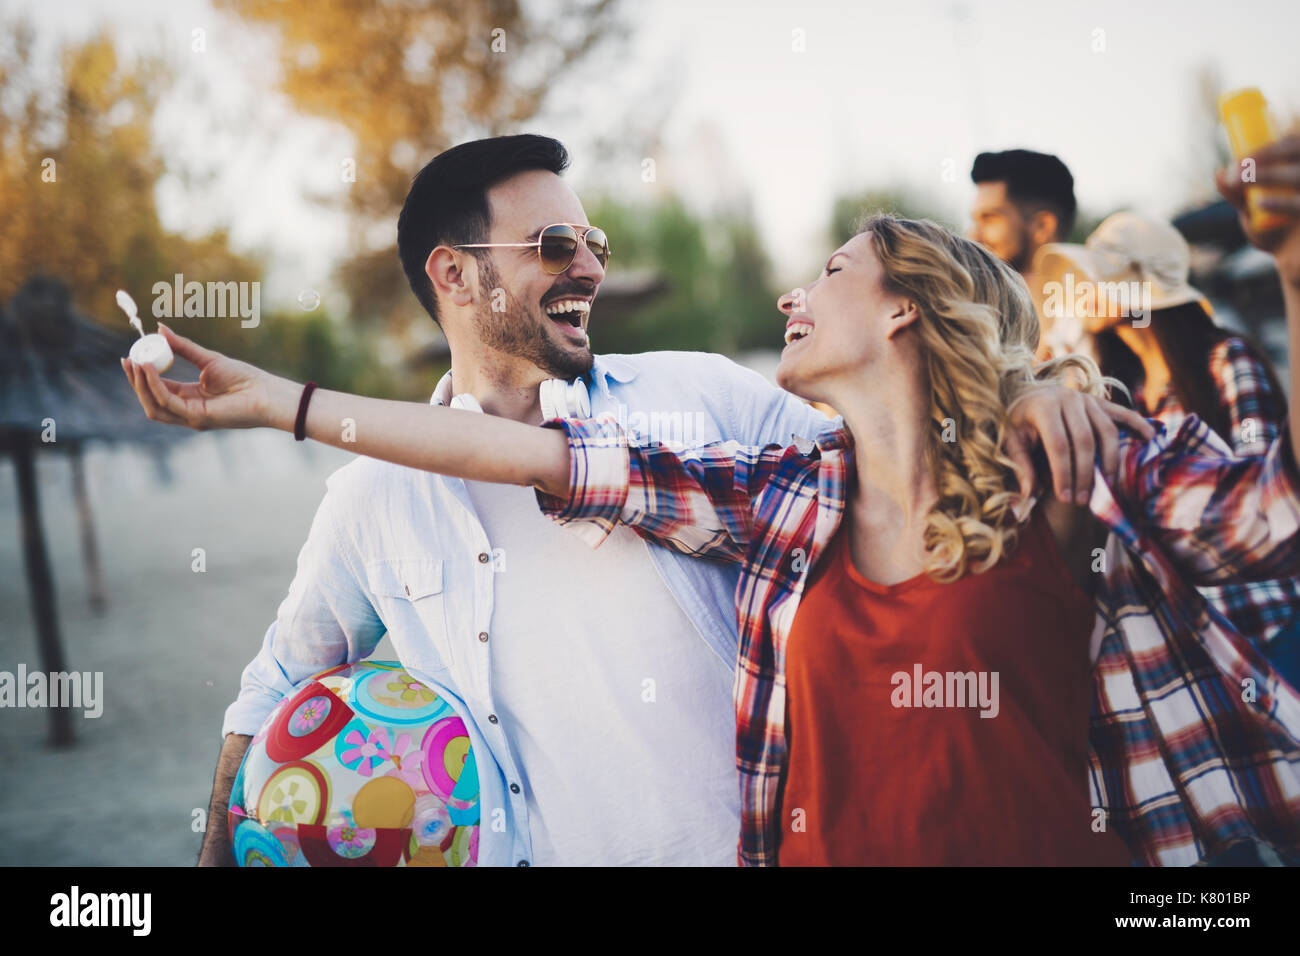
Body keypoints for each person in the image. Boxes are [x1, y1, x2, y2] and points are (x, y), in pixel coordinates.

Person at [128, 136, 1300, 866]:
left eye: (587, 237)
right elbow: (525, 466)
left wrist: (1045, 379)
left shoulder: (744, 418)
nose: (587, 262)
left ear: (899, 308)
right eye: (552, 242)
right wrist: (280, 400)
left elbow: (1266, 514)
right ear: (454, 271)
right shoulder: (776, 500)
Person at [1034, 211, 1300, 701]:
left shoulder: (1224, 360)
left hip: (1267, 619)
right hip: (1203, 634)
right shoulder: (1125, 389)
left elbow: (1269, 486)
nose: (1081, 291)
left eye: (1096, 278)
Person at [969, 149, 1081, 358]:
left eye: (989, 218)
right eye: (974, 220)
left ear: (1042, 226)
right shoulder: (981, 325)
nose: (972, 236)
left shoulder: (1093, 322)